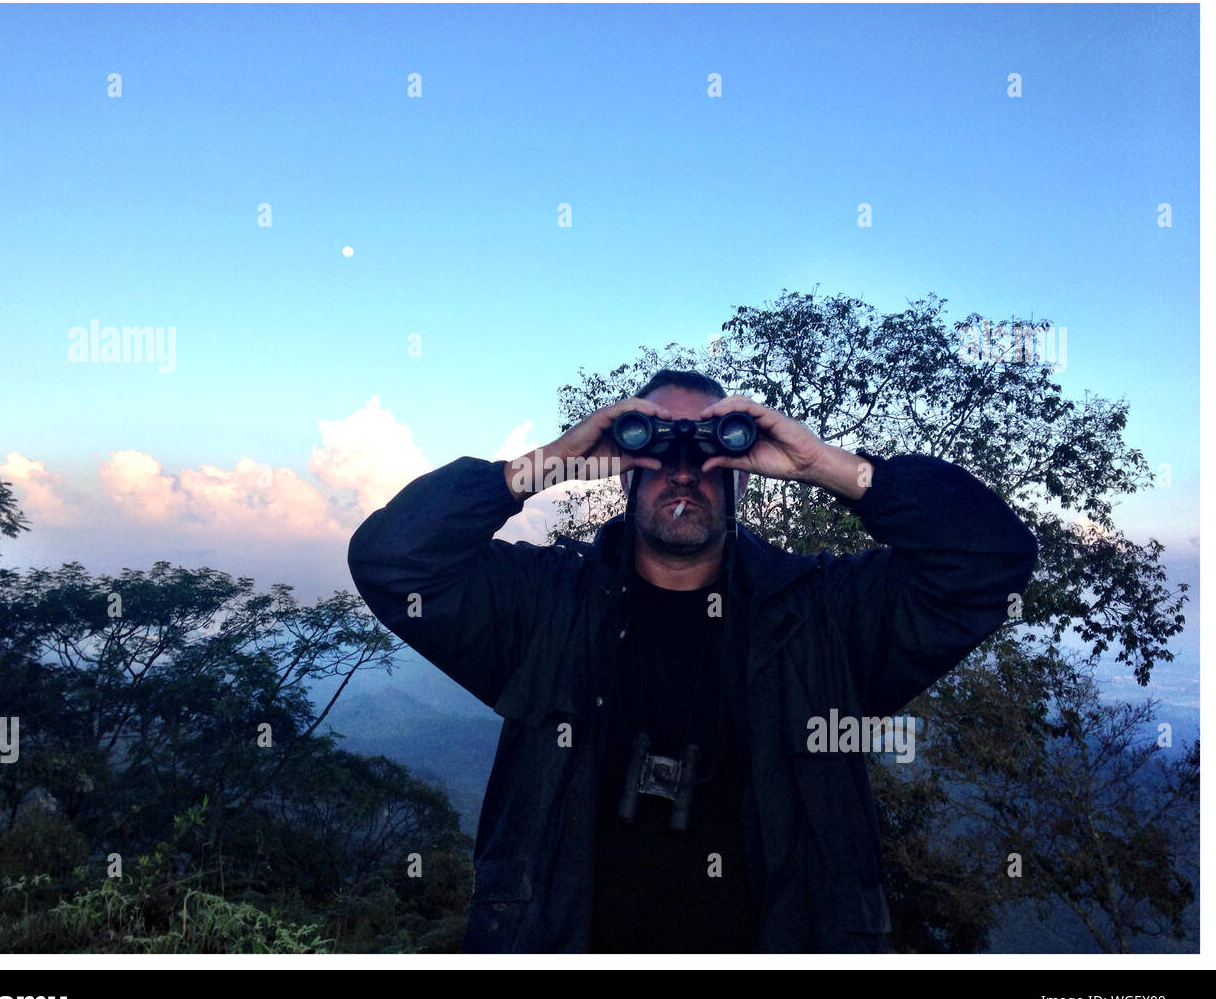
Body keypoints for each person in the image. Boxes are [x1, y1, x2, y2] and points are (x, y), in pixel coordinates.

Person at [347, 369, 1039, 953]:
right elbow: (392, 561)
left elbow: (991, 563)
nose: (683, 469)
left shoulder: (821, 617)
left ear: (740, 473)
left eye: (711, 449)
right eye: (656, 450)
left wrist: (824, 465)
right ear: (624, 476)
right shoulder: (546, 610)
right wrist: (544, 464)